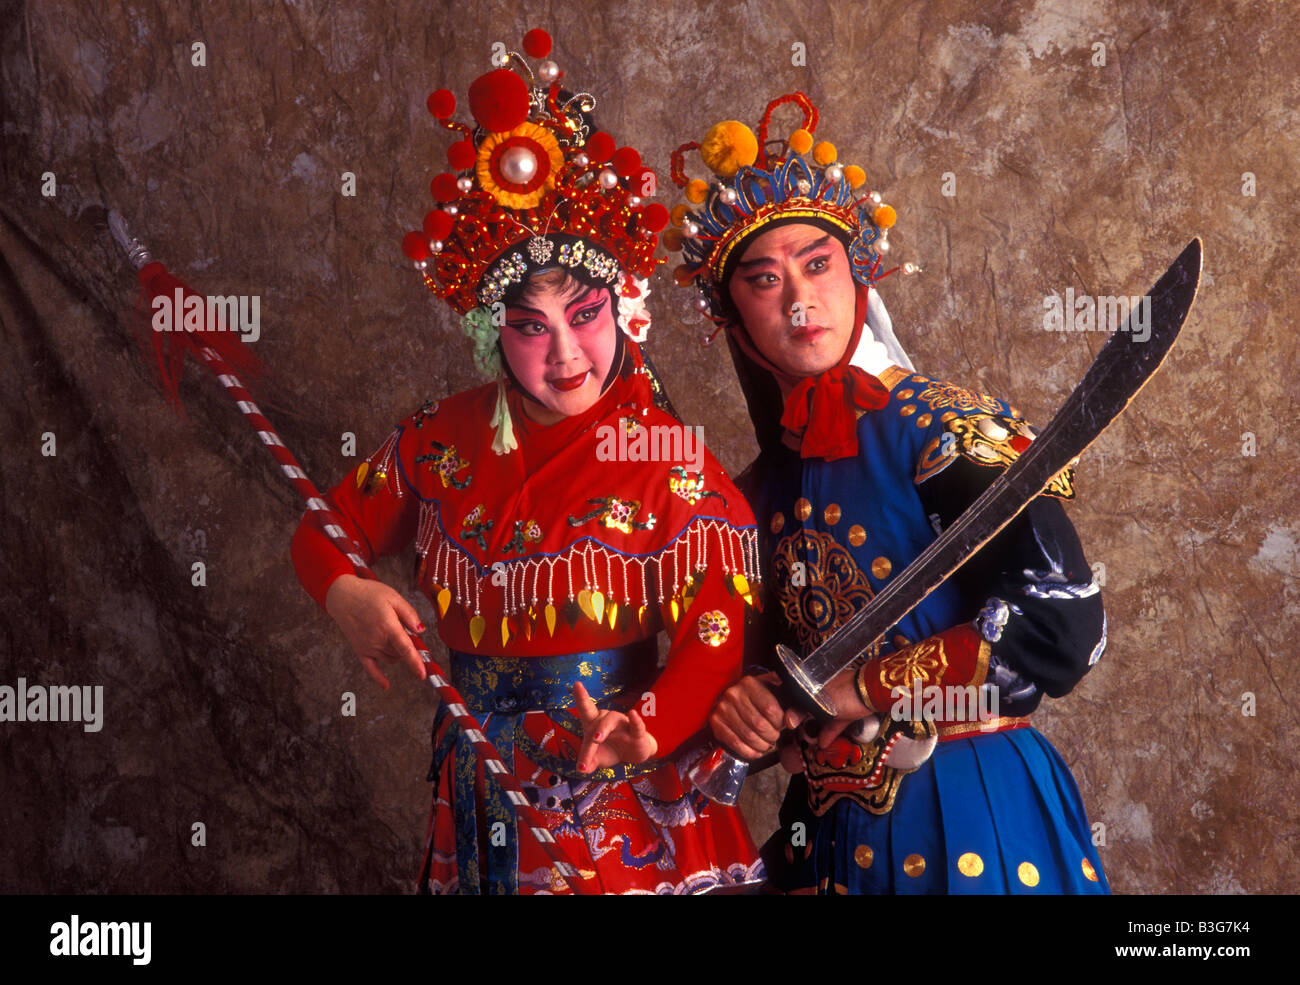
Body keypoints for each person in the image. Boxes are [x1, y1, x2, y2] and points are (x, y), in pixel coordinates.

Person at [290, 31, 763, 895]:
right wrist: (343, 590)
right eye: (530, 327)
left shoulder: (665, 455)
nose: (567, 353)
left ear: (625, 310)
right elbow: (323, 531)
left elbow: (716, 625)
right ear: (490, 334)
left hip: (619, 780)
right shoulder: (439, 436)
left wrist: (649, 726)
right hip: (477, 786)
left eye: (584, 315)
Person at [665, 93, 1109, 894]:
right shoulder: (757, 491)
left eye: (817, 263)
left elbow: (1061, 622)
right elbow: (753, 670)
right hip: (824, 831)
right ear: (736, 321)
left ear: (860, 277)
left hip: (969, 807)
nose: (798, 299)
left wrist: (859, 685)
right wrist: (751, 708)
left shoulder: (945, 432)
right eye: (764, 280)